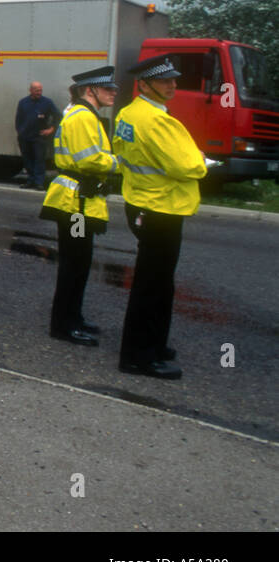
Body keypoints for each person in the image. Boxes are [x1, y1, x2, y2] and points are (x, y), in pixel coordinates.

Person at [112, 55, 207, 379]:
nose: (173, 85)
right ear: (146, 84)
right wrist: (202, 161)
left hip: (142, 202)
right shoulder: (156, 120)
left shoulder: (129, 113)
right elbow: (186, 165)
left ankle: (153, 344)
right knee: (153, 285)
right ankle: (139, 357)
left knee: (156, 283)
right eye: (166, 80)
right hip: (161, 208)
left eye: (173, 79)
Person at [39, 66, 118, 346]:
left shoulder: (80, 113)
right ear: (89, 91)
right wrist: (118, 163)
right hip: (75, 205)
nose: (113, 92)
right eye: (107, 88)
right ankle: (64, 325)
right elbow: (89, 160)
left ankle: (74, 318)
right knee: (75, 264)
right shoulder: (83, 116)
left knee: (79, 263)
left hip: (76, 201)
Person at [15, 81, 61, 190]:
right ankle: (31, 180)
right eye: (36, 90)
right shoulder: (23, 102)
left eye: (40, 90)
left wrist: (51, 129)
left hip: (39, 137)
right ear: (30, 90)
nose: (39, 92)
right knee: (27, 160)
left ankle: (39, 182)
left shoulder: (47, 102)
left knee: (39, 160)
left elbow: (58, 116)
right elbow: (18, 119)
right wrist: (20, 131)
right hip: (25, 137)